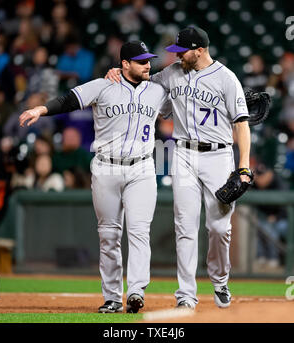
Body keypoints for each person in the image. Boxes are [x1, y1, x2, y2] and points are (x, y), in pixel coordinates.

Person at [106, 26, 252, 309]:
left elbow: (242, 124)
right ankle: (186, 295)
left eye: (182, 51)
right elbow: (141, 80)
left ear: (199, 50)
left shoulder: (226, 78)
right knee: (185, 227)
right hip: (183, 154)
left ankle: (220, 280)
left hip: (219, 157)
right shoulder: (172, 73)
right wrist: (116, 72)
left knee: (219, 228)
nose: (177, 55)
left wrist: (243, 165)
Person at [19, 40, 169, 313]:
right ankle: (112, 297)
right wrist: (40, 110)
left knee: (138, 230)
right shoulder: (103, 85)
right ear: (124, 64)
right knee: (109, 235)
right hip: (106, 167)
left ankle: (136, 292)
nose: (148, 64)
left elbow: (183, 90)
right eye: (141, 60)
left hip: (142, 168)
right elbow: (69, 100)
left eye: (148, 59)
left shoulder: (158, 89)